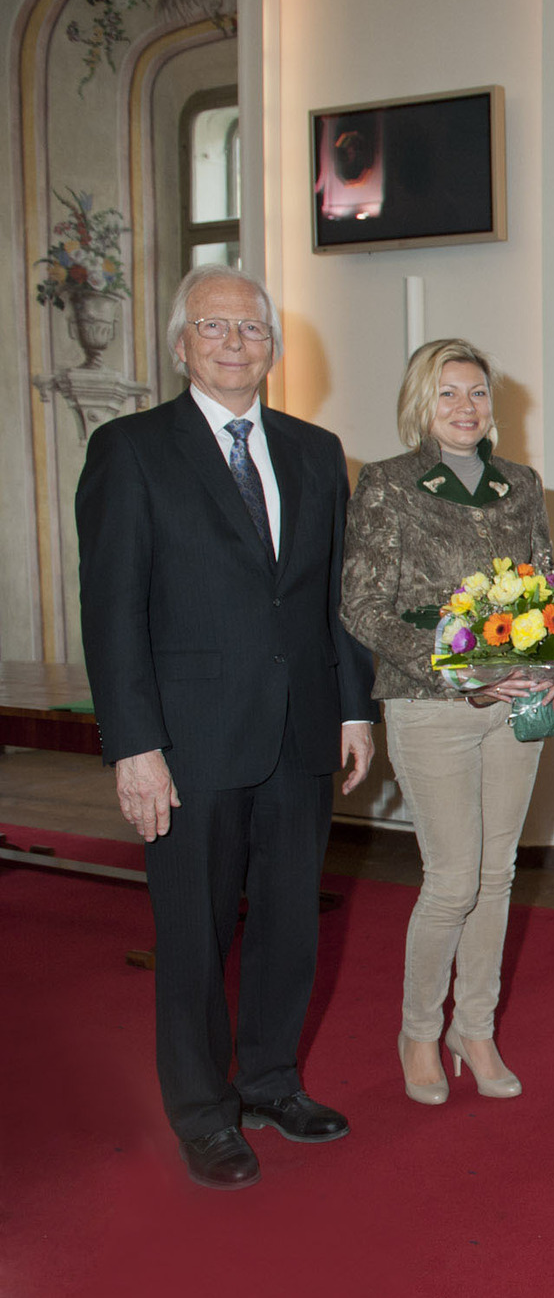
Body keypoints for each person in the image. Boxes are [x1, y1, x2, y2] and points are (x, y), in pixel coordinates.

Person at [75, 263, 376, 1189]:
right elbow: (112, 609)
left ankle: (274, 1080)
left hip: (301, 733)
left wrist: (356, 706)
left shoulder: (318, 451)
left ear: (274, 347)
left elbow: (337, 596)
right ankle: (204, 1111)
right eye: (215, 329)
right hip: (189, 739)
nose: (236, 344)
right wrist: (134, 744)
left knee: (290, 923)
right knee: (196, 932)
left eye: (251, 330)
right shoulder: (130, 450)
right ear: (180, 346)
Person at [340, 339, 554, 1105]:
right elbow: (362, 606)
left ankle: (477, 1026)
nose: (465, 408)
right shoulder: (389, 485)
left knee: (498, 876)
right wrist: (462, 669)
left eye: (475, 393)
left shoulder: (523, 483)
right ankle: (418, 1030)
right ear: (420, 405)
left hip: (516, 707)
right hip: (432, 705)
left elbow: (545, 591)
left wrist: (550, 669)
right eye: (447, 394)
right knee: (452, 879)